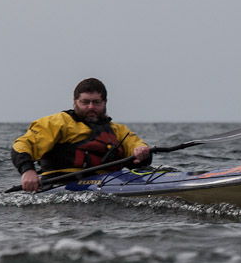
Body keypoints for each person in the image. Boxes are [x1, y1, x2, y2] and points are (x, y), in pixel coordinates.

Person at [11, 78, 151, 192]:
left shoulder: (118, 130)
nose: (91, 107)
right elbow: (22, 145)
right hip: (62, 186)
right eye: (85, 102)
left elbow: (136, 144)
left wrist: (141, 151)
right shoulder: (58, 122)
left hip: (107, 184)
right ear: (75, 101)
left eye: (96, 102)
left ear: (105, 102)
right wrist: (27, 170)